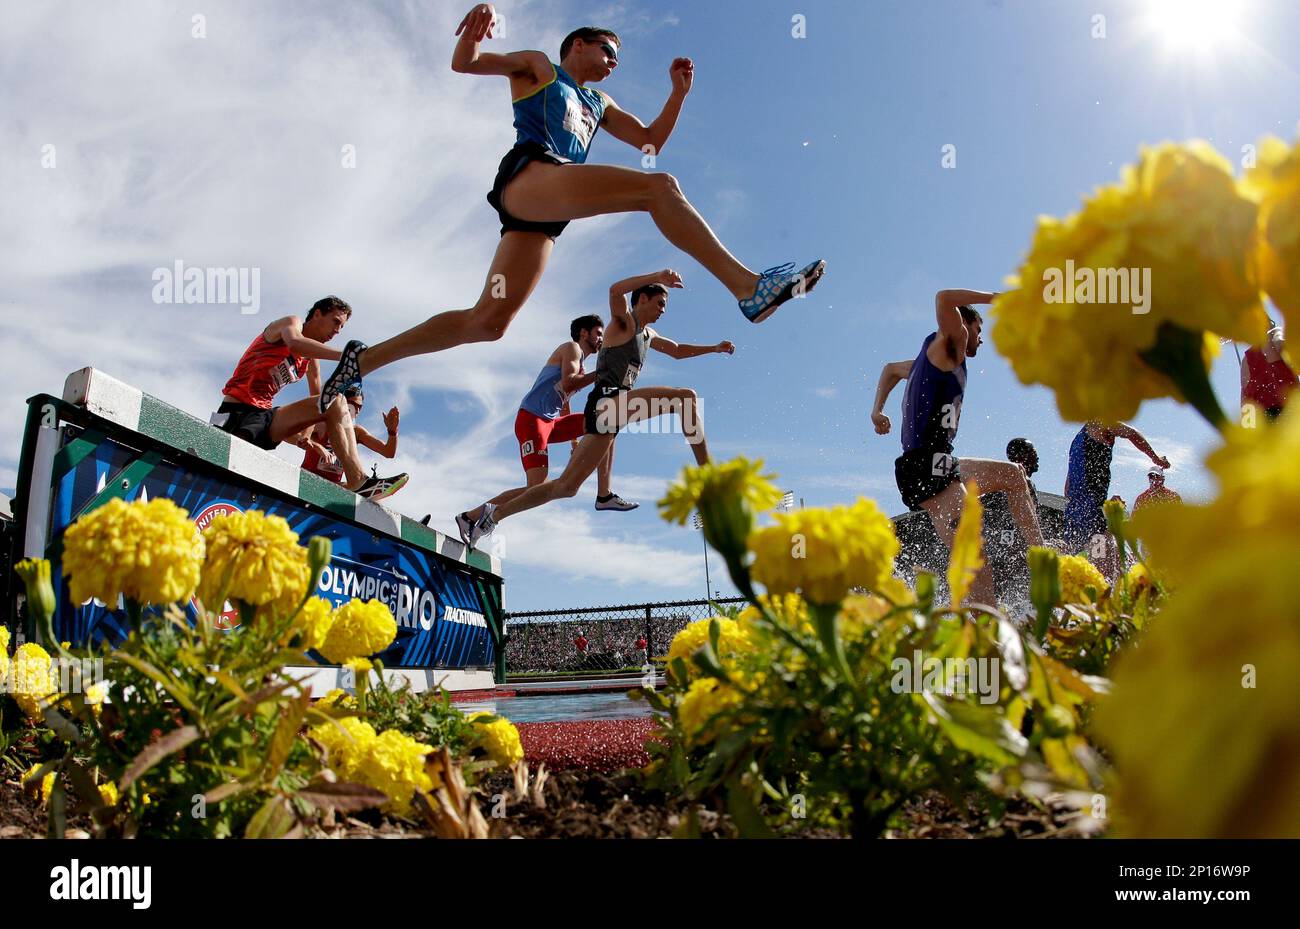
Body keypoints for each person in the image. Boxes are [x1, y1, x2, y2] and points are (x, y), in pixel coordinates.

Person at [316, 8, 824, 413]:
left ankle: (363, 360)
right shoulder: (540, 67)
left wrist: (678, 96)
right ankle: (746, 287)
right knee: (660, 190)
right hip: (532, 176)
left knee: (488, 321)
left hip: (542, 216)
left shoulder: (599, 103)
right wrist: (477, 27)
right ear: (578, 45)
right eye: (608, 51)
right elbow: (466, 63)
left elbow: (649, 143)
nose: (613, 62)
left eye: (618, 59)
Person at [456, 269, 729, 547]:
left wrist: (714, 348)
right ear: (642, 298)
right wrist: (658, 274)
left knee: (565, 487)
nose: (663, 311)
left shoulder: (649, 334)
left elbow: (678, 349)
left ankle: (493, 517)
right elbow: (614, 289)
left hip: (608, 413)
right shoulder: (623, 323)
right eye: (660, 303)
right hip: (606, 404)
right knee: (684, 398)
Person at [873, 291, 1044, 606]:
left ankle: (1043, 557)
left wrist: (877, 410)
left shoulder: (928, 363)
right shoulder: (952, 342)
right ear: (964, 325)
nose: (981, 340)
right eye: (979, 330)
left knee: (1014, 476)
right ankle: (981, 639)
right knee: (976, 562)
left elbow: (891, 369)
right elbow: (942, 298)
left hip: (942, 462)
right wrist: (994, 299)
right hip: (925, 468)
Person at [214, 297, 405, 500]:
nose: (338, 331)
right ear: (317, 314)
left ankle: (358, 480)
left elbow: (320, 401)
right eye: (336, 322)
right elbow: (296, 344)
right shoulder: (290, 323)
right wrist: (346, 357)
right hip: (236, 410)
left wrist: (307, 436)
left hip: (264, 417)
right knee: (222, 475)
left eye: (341, 326)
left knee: (335, 401)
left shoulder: (311, 359)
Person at [484, 314, 638, 515]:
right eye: (598, 334)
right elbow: (569, 383)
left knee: (607, 420)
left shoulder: (580, 362)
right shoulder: (572, 348)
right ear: (583, 333)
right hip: (532, 418)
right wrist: (602, 372)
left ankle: (604, 494)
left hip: (550, 422)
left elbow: (564, 400)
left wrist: (574, 443)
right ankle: (473, 517)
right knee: (536, 488)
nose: (601, 339)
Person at [1063, 421, 1169, 576]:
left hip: (1073, 514)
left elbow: (1067, 489)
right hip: (1091, 513)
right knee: (1103, 567)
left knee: (1078, 562)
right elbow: (1132, 433)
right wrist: (1156, 459)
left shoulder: (1077, 440)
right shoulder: (1101, 422)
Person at [298, 387, 409, 500]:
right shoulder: (322, 424)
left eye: (360, 407)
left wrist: (392, 431)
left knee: (367, 495)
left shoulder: (356, 432)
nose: (357, 410)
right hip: (308, 480)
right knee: (364, 491)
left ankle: (378, 514)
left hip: (331, 487)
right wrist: (318, 446)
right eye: (353, 405)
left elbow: (388, 452)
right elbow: (295, 435)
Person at [1241, 321, 1297, 423]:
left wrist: (1248, 426)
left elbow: (1245, 400)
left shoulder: (1246, 360)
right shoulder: (1274, 333)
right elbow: (1281, 347)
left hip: (1263, 420)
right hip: (1288, 409)